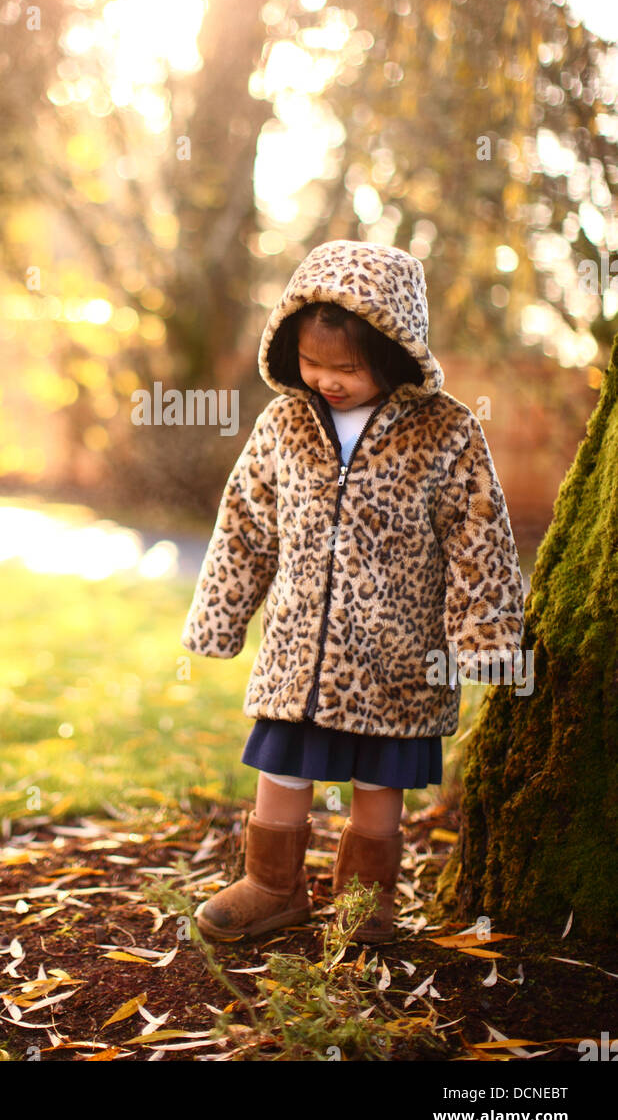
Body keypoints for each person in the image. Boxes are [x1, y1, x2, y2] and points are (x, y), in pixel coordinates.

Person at [180, 239, 526, 945]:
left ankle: (367, 901)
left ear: (395, 353)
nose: (327, 380)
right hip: (298, 653)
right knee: (281, 765)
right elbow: (245, 523)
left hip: (396, 658)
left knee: (380, 784)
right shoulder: (283, 425)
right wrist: (221, 616)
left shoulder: (448, 431)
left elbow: (479, 534)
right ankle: (271, 885)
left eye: (347, 367)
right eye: (312, 363)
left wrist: (486, 637)